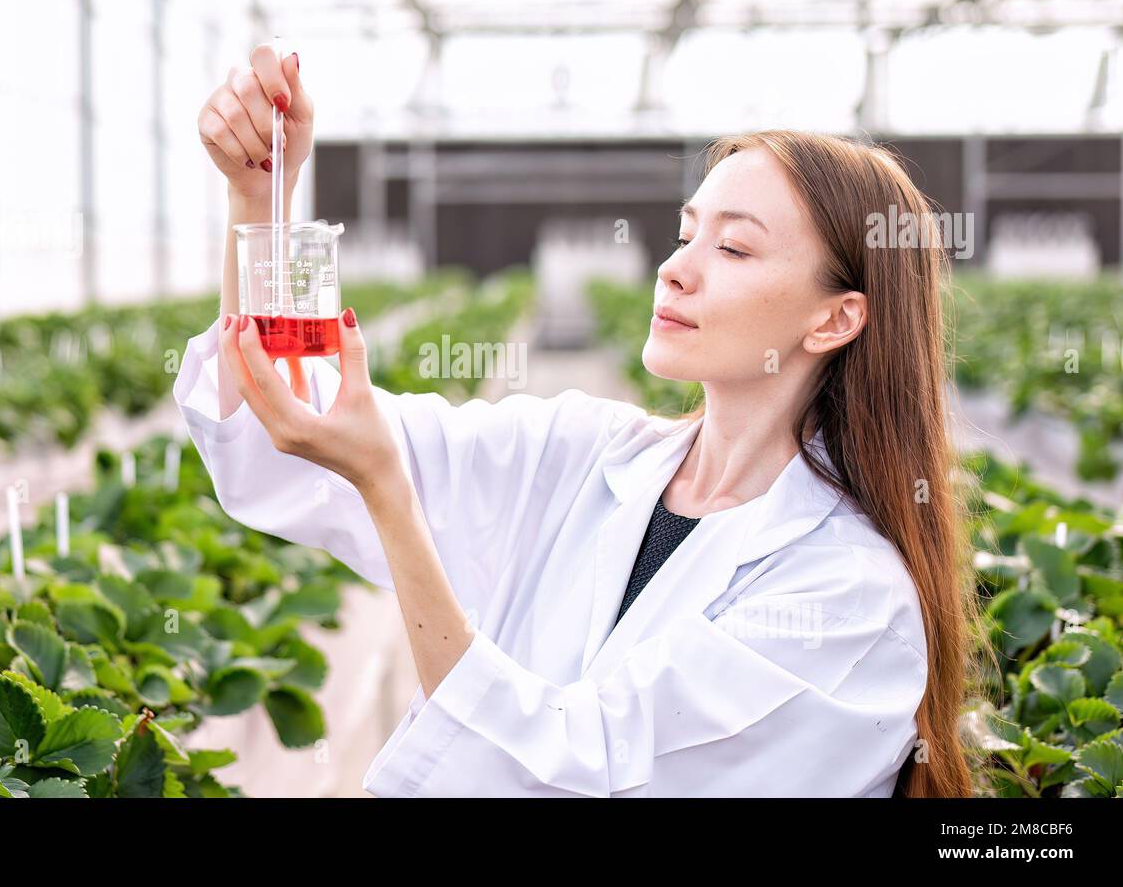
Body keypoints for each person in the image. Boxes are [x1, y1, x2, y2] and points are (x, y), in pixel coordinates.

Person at [177, 42, 982, 797]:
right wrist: (262, 199)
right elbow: (290, 436)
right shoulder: (579, 454)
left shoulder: (846, 600)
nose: (675, 269)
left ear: (834, 320)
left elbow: (566, 775)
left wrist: (388, 491)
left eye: (732, 251)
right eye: (684, 234)